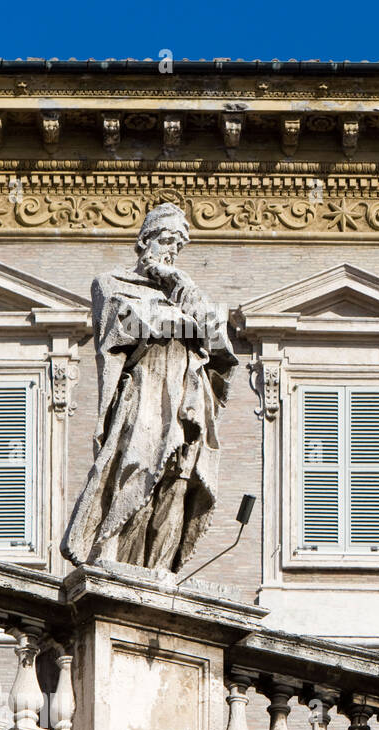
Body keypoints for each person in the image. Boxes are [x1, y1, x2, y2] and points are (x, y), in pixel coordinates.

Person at [61, 203, 237, 573]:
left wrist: (184, 294)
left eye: (178, 245)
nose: (171, 251)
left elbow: (220, 341)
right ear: (145, 241)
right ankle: (105, 555)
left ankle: (160, 569)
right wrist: (185, 319)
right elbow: (126, 325)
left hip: (188, 394)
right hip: (146, 391)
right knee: (133, 466)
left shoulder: (186, 291)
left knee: (179, 479)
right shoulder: (111, 282)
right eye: (166, 240)